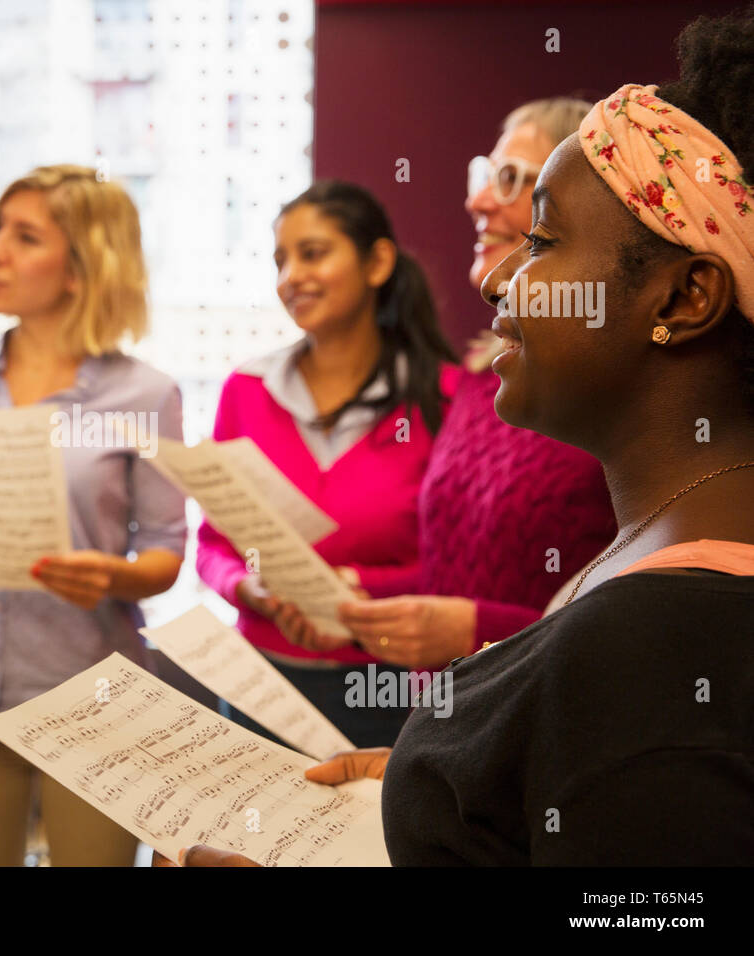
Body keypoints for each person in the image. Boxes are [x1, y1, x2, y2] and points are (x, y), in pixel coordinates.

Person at [184, 3, 754, 865]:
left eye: (544, 238)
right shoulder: (653, 571)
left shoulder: (654, 649)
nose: (497, 284)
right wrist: (441, 794)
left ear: (683, 298)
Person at [0, 165, 187, 866]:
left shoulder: (147, 393)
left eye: (24, 237)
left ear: (84, 268)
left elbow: (168, 550)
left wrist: (112, 577)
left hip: (95, 703)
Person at [337, 98, 618, 670]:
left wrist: (477, 632)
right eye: (485, 176)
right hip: (439, 729)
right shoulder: (476, 379)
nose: (477, 200)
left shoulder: (615, 387)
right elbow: (456, 572)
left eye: (513, 180)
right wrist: (357, 596)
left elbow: (635, 625)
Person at [195, 180, 458, 748]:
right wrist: (247, 587)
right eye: (280, 261)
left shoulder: (450, 399)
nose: (291, 277)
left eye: (312, 254)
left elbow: (460, 570)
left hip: (392, 690)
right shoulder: (245, 390)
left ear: (378, 261)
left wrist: (359, 586)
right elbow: (212, 544)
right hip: (259, 685)